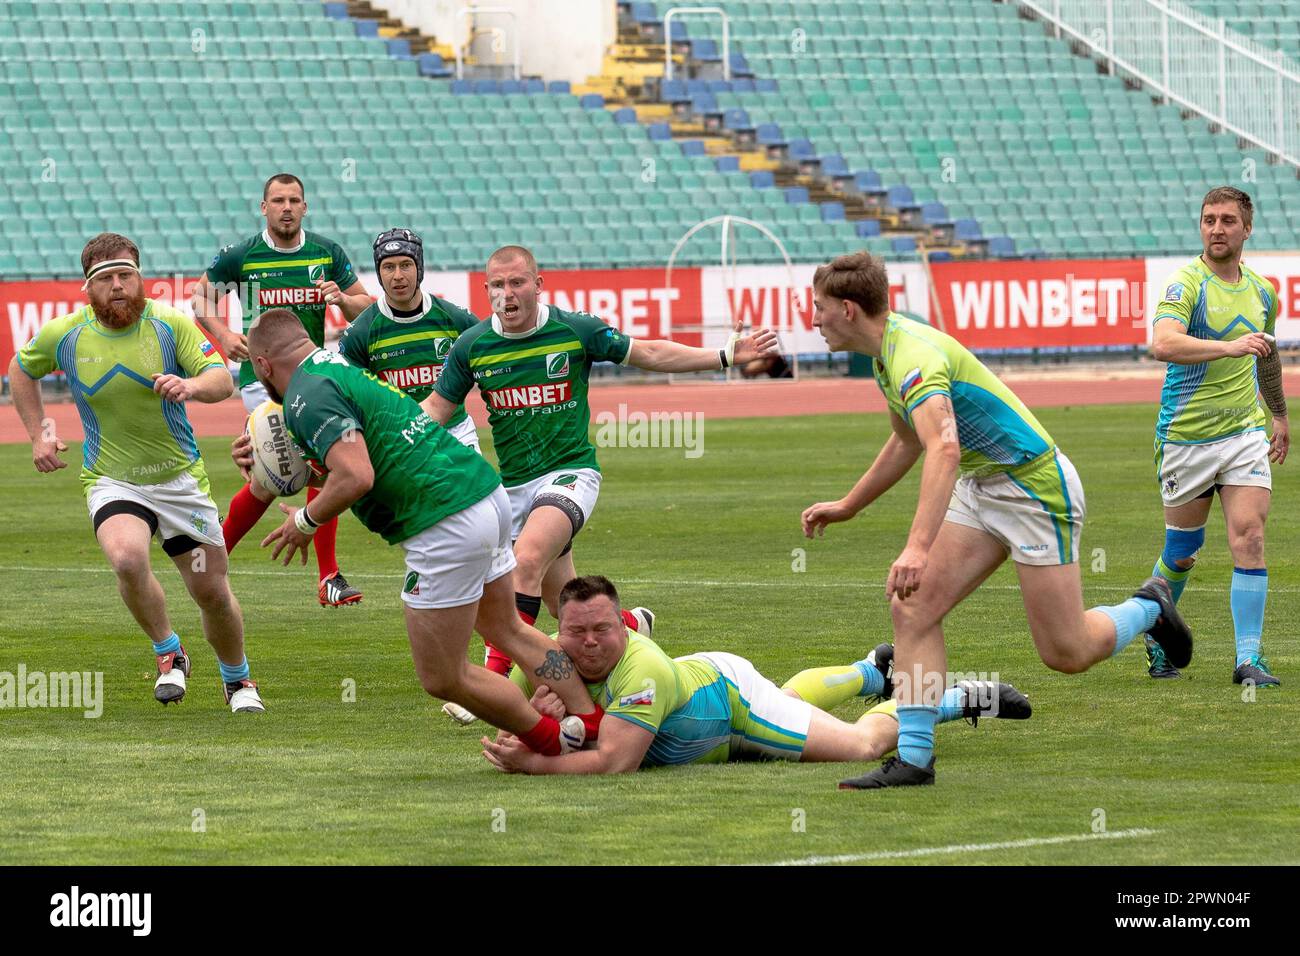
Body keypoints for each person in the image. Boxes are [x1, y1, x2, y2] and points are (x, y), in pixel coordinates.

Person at [799, 251, 1192, 789]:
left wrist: (916, 547)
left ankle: (1149, 608)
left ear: (847, 309)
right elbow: (908, 439)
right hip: (984, 487)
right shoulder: (884, 356)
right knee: (911, 607)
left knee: (1066, 652)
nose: (813, 319)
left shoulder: (912, 356)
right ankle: (914, 761)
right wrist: (849, 504)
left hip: (1034, 488)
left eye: (818, 308)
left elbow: (944, 448)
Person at [244, 308, 605, 752]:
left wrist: (305, 521)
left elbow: (356, 476)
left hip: (444, 521)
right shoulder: (334, 367)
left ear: (262, 364)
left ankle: (553, 744)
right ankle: (592, 724)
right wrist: (272, 470)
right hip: (480, 493)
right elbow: (365, 459)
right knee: (507, 628)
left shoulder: (305, 393)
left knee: (443, 676)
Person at [422, 244, 777, 682]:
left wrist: (723, 356)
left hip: (570, 474)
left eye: (517, 283)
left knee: (525, 561)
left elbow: (648, 354)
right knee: (564, 608)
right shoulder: (473, 345)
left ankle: (494, 678)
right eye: (498, 285)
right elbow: (438, 407)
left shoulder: (575, 330)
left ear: (538, 284)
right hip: (513, 489)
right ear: (486, 289)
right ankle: (629, 626)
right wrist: (387, 438)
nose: (507, 294)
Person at [7, 233, 264, 712]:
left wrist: (188, 385)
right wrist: (40, 433)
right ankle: (170, 653)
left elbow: (222, 379)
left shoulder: (170, 325)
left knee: (210, 589)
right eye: (106, 279)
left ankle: (238, 679)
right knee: (126, 558)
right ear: (88, 288)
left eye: (126, 275)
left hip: (180, 481)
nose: (118, 286)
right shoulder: (64, 334)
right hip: (111, 479)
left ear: (140, 277)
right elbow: (21, 370)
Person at [480, 576, 1030, 774]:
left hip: (733, 706)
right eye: (576, 633)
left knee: (862, 745)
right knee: (789, 698)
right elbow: (519, 724)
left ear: (623, 626)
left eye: (603, 628)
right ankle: (871, 671)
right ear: (559, 631)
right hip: (717, 688)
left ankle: (960, 698)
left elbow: (614, 763)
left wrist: (534, 759)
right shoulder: (549, 661)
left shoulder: (640, 665)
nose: (590, 642)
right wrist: (532, 726)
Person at [192, 172, 371, 607]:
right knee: (307, 465)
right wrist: (223, 335)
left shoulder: (327, 253)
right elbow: (201, 300)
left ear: (305, 207)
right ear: (264, 207)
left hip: (313, 376)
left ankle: (212, 556)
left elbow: (364, 306)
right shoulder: (241, 255)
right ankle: (325, 575)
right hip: (262, 381)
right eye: (278, 200)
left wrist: (342, 301)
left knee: (282, 475)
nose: (286, 207)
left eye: (294, 200)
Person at [1144, 186, 1286, 687]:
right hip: (1187, 436)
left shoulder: (1264, 290)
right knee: (1183, 550)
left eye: (1228, 220)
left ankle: (1248, 659)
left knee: (1249, 535)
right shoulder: (1186, 284)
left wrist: (1280, 415)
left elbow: (1264, 356)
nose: (1217, 228)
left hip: (1244, 431)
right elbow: (1161, 343)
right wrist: (1228, 348)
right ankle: (1157, 630)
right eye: (1209, 219)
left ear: (1248, 228)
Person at [338, 228, 482, 451]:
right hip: (396, 441)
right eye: (388, 267)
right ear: (379, 272)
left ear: (419, 268)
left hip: (455, 435)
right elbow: (345, 396)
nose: (397, 276)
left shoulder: (456, 319)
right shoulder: (360, 333)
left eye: (405, 265)